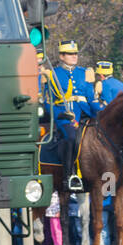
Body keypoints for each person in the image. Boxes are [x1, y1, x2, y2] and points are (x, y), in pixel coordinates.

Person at [44, 40, 97, 191]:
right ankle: (69, 176)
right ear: (61, 56)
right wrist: (59, 115)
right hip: (64, 115)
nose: (74, 56)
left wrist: (100, 113)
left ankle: (105, 180)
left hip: (85, 112)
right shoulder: (53, 74)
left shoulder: (84, 73)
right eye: (70, 54)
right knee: (71, 137)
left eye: (75, 54)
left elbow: (91, 98)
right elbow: (49, 103)